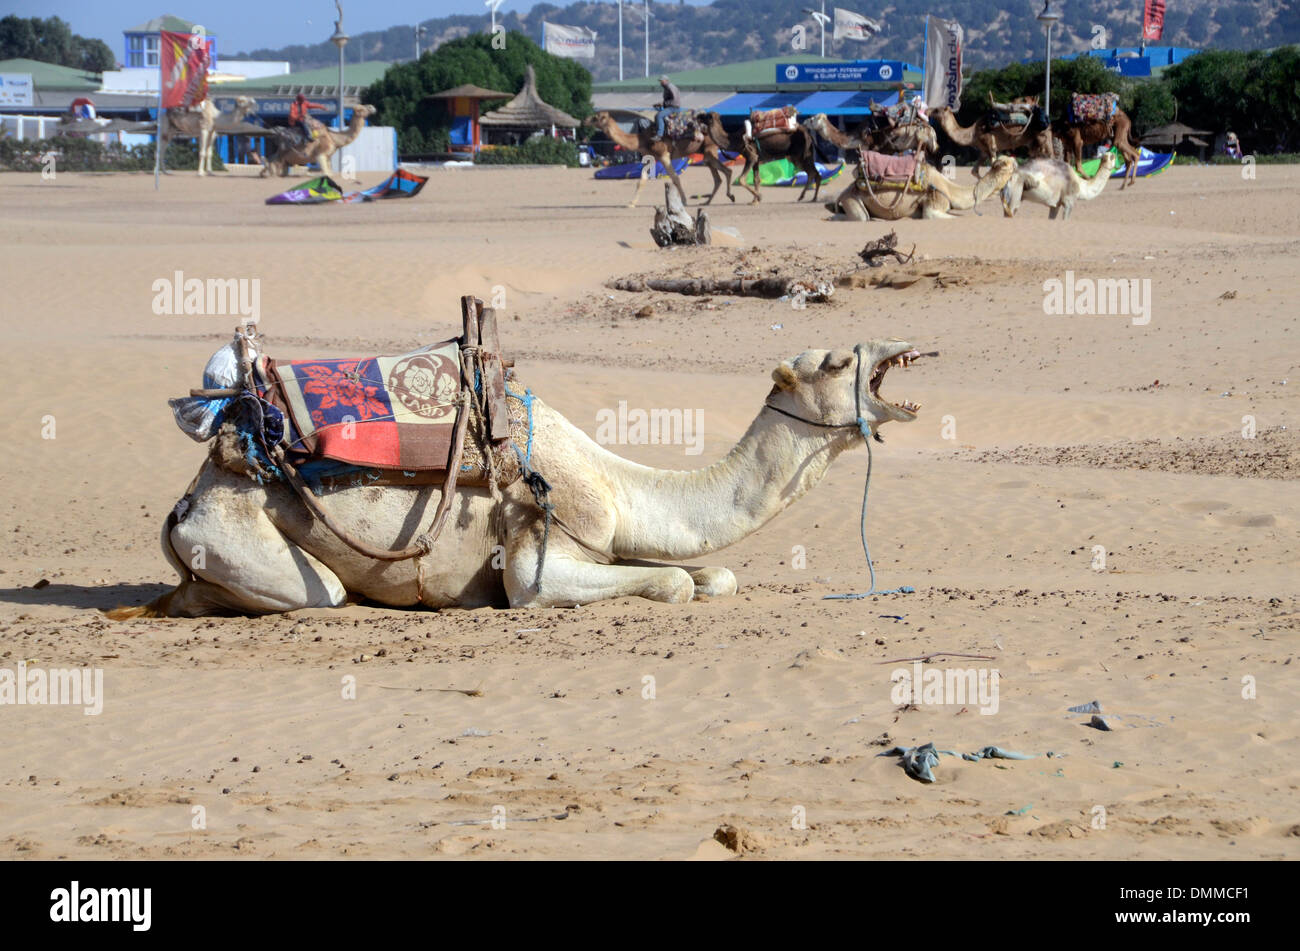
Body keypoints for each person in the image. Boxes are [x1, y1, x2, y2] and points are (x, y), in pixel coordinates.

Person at [654, 75, 683, 140]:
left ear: (666, 80)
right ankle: (662, 131)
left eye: (662, 81)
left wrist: (663, 103)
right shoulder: (666, 88)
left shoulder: (671, 87)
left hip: (674, 108)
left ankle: (659, 135)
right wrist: (661, 104)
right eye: (660, 81)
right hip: (670, 107)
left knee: (659, 116)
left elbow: (674, 100)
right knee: (656, 115)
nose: (661, 83)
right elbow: (668, 99)